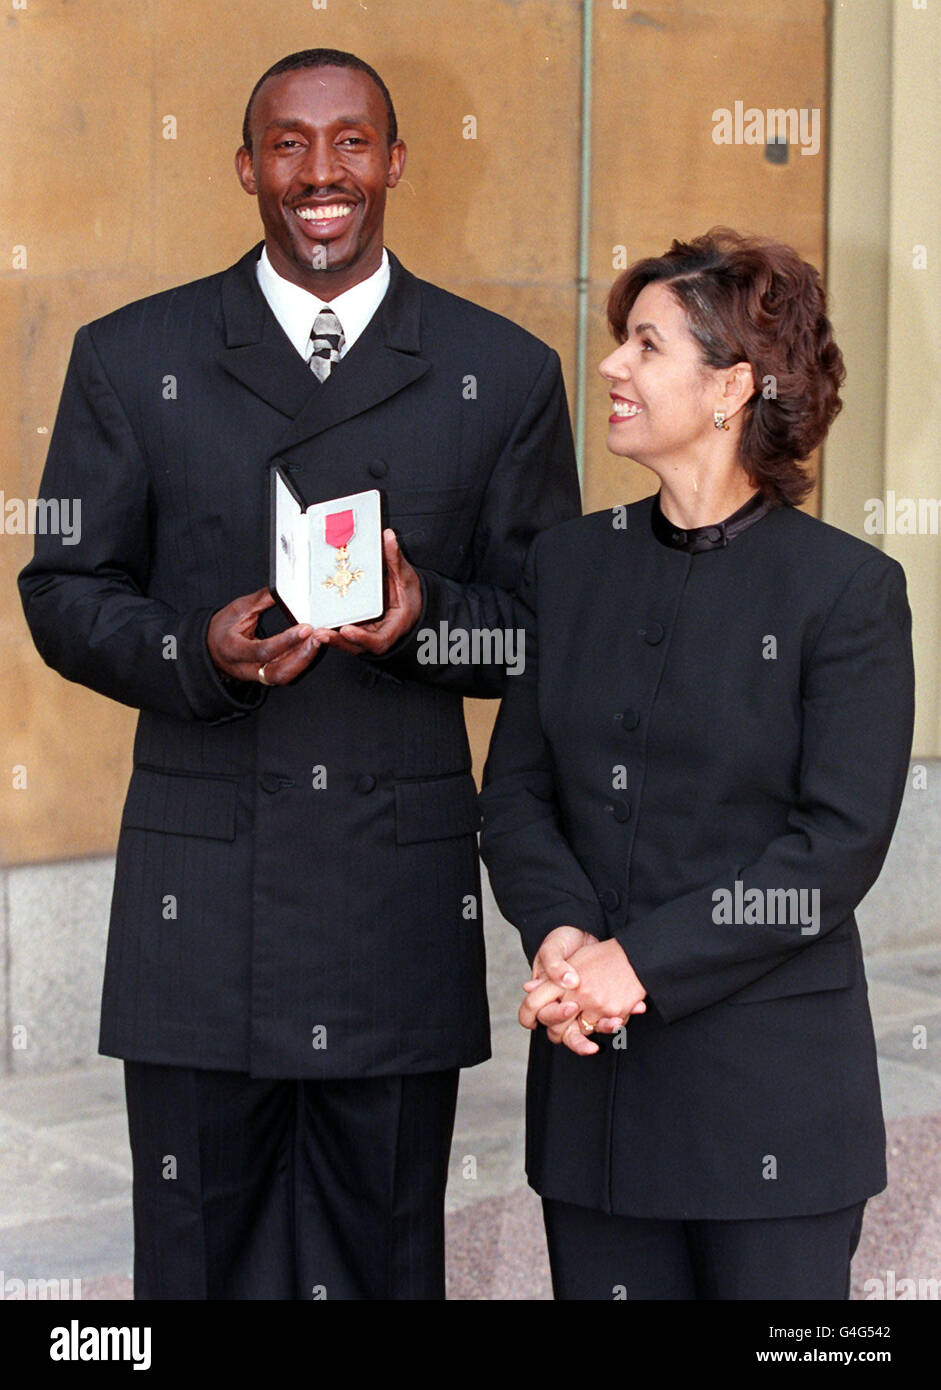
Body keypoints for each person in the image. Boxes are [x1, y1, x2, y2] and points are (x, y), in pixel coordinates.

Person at [18, 47, 580, 1300]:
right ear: (244, 168)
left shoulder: (502, 372)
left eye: (348, 144)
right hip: (198, 903)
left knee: (381, 1254)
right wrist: (191, 652)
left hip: (391, 903)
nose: (319, 174)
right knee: (194, 1260)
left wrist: (431, 623)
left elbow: (546, 628)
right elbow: (59, 591)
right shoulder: (132, 356)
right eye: (287, 144)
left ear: (392, 163)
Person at [479, 229, 915, 1300]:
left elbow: (832, 847)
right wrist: (565, 936)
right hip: (596, 1105)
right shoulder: (570, 562)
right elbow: (518, 791)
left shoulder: (845, 591)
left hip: (769, 1103)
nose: (612, 368)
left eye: (643, 344)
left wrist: (637, 964)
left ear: (729, 388)